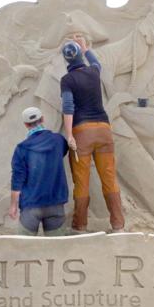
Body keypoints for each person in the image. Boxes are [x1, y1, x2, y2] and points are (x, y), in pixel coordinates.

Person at [60, 39, 124, 232]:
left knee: (82, 181)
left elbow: (68, 107)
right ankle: (118, 225)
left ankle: (80, 226)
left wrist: (69, 135)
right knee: (109, 177)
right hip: (103, 130)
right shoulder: (94, 72)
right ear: (80, 56)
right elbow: (97, 63)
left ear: (66, 60)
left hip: (82, 132)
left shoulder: (67, 80)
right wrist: (86, 49)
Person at [8, 106, 70, 236]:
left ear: (26, 124)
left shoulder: (22, 148)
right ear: (42, 119)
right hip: (55, 204)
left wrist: (13, 206)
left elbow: (17, 181)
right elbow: (63, 152)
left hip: (31, 206)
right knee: (57, 245)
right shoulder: (58, 140)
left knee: (26, 246)